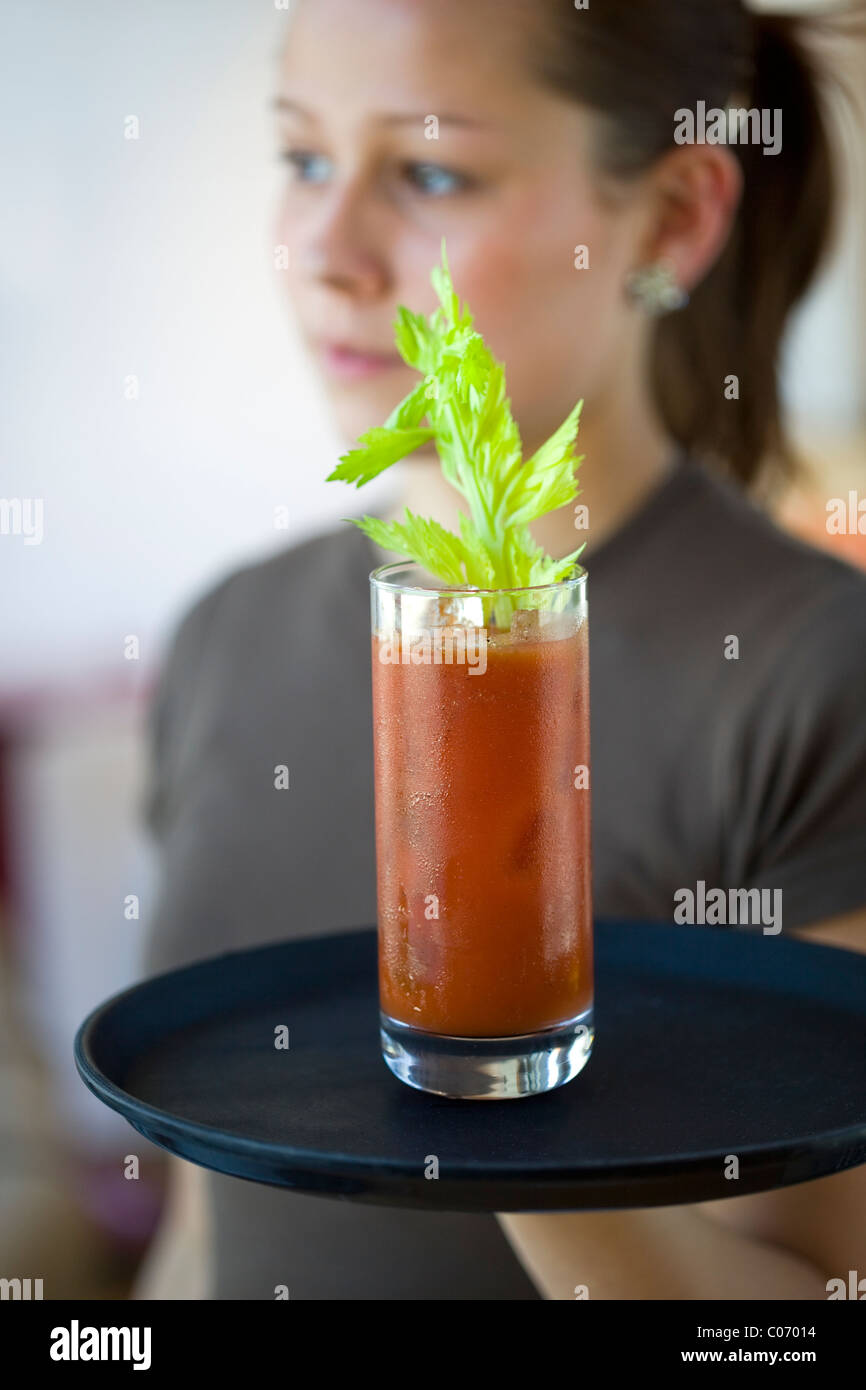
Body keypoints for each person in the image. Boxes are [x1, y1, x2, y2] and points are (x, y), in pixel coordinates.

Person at [134, 0, 866, 1300]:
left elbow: (814, 1294)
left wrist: (504, 1073)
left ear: (671, 220)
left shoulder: (817, 672)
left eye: (427, 171)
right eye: (302, 157)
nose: (323, 248)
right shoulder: (223, 635)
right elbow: (209, 1225)